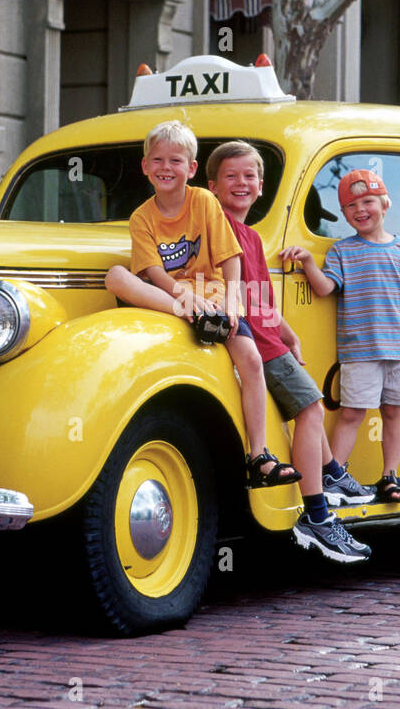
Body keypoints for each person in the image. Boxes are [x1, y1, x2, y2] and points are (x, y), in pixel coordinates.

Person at [104, 121, 299, 488]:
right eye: (157, 160)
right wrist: (183, 299)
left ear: (191, 169)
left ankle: (259, 454)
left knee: (252, 360)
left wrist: (232, 301)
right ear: (144, 166)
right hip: (171, 300)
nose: (166, 167)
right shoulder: (141, 217)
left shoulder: (204, 201)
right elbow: (152, 270)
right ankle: (190, 315)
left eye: (176, 160)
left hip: (213, 297)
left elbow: (230, 257)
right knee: (116, 275)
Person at [205, 141, 373, 563]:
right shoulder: (219, 229)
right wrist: (271, 342)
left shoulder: (252, 237)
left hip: (269, 338)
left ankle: (333, 476)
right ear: (210, 186)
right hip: (256, 344)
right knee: (312, 409)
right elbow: (236, 299)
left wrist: (289, 334)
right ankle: (318, 514)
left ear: (261, 186)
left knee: (310, 405)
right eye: (230, 176)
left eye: (249, 176)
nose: (241, 183)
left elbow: (259, 299)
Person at [280, 168, 400, 504]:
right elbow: (324, 288)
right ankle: (332, 475)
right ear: (344, 214)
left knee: (394, 411)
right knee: (352, 413)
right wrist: (307, 261)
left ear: (385, 204)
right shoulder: (342, 251)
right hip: (360, 349)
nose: (360, 210)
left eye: (368, 201)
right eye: (351, 206)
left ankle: (390, 476)